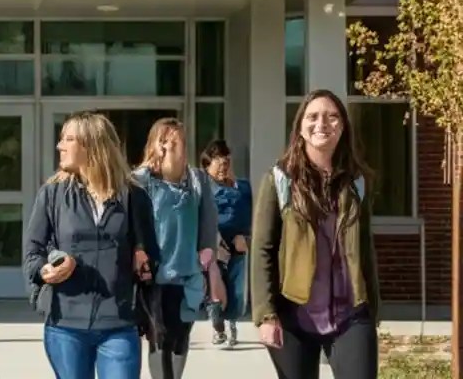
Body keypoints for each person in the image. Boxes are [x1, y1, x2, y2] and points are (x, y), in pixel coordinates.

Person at [250, 89, 380, 379]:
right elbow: (262, 249)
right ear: (300, 127)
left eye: (332, 117)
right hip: (294, 315)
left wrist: (373, 307)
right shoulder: (279, 180)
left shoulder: (356, 182)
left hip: (351, 314)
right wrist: (265, 314)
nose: (322, 123)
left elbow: (365, 247)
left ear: (343, 127)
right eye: (313, 117)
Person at [25, 111, 159, 379]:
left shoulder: (134, 197)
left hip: (119, 323)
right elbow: (32, 254)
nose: (59, 146)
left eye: (68, 139)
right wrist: (46, 270)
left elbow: (151, 257)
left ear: (91, 146)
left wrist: (144, 262)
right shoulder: (52, 194)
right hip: (65, 325)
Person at [133, 118, 224, 379]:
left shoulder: (197, 180)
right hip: (155, 277)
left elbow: (208, 223)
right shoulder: (142, 180)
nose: (172, 146)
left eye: (178, 141)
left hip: (188, 275)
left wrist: (210, 263)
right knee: (158, 337)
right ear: (155, 145)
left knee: (180, 338)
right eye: (166, 141)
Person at [199, 139, 253, 348]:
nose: (224, 168)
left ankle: (232, 323)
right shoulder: (203, 187)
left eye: (227, 163)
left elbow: (250, 216)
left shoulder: (243, 186)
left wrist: (247, 240)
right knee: (214, 289)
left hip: (237, 245)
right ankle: (218, 327)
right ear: (208, 164)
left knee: (237, 290)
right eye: (219, 164)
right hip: (213, 246)